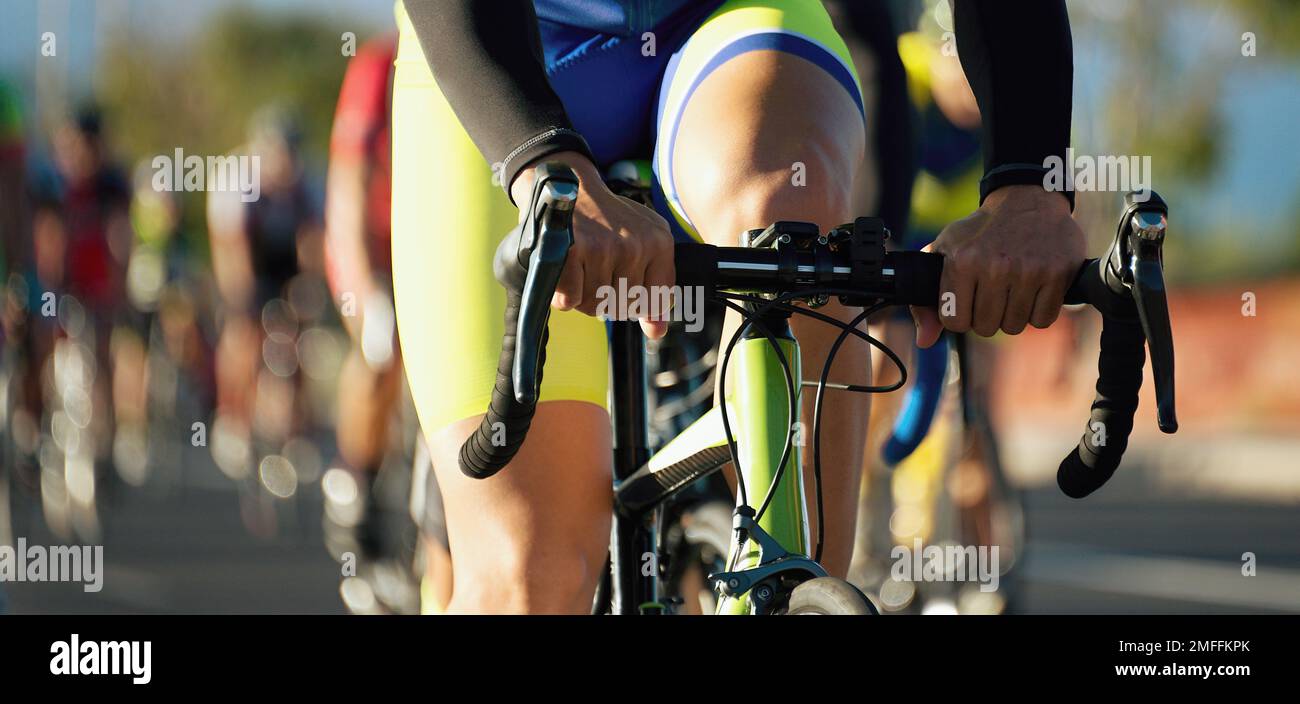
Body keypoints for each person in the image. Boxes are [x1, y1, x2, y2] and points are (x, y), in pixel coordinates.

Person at [392, 0, 1081, 613]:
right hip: (511, 44)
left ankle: (784, 575)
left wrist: (1028, 184)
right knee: (529, 574)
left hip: (728, 22)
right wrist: (541, 161)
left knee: (789, 214)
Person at [324, 33, 453, 613]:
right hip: (372, 246)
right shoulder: (379, 63)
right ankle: (353, 485)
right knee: (382, 349)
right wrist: (368, 292)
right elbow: (348, 190)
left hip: (436, 247)